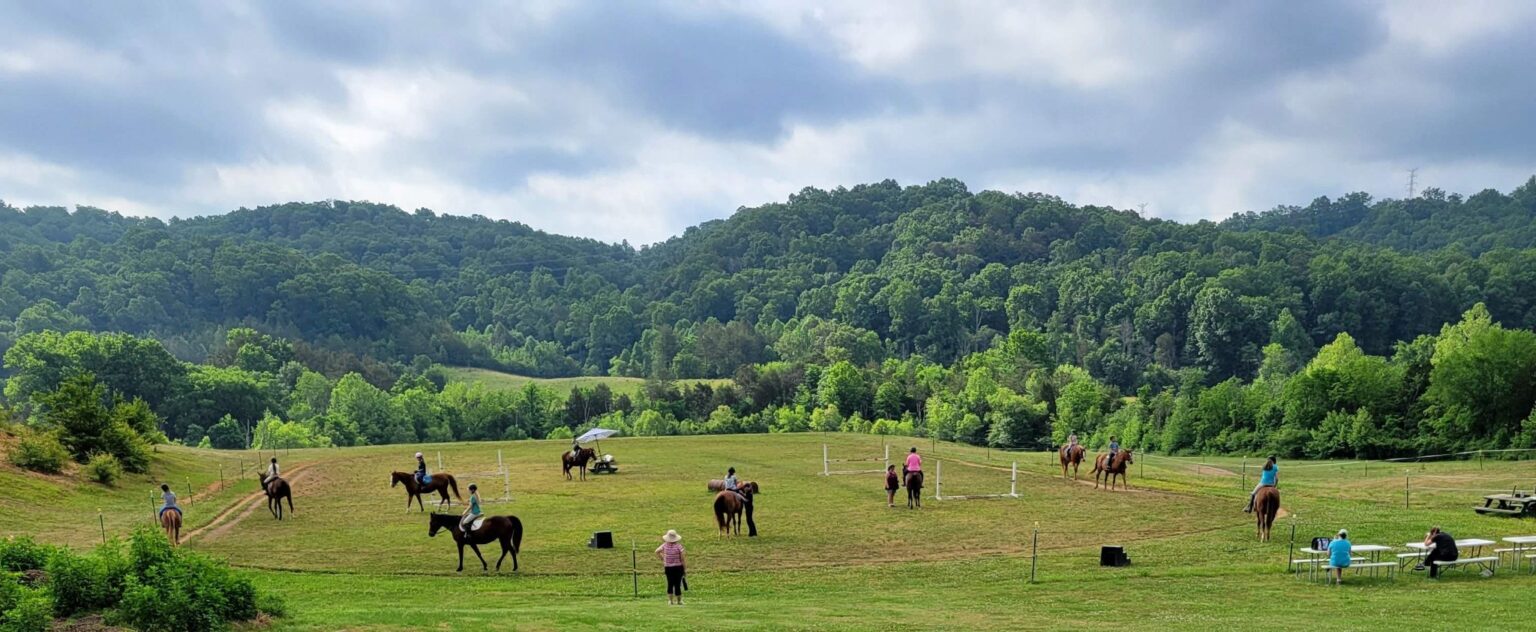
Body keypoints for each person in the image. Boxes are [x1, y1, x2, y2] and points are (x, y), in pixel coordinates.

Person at [655, 530, 687, 605]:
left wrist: (663, 559)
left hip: (668, 567)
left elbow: (657, 551)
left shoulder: (664, 545)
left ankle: (670, 601)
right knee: (677, 584)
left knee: (670, 583)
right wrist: (684, 569)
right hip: (678, 567)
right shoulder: (679, 546)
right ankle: (679, 601)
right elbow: (682, 559)